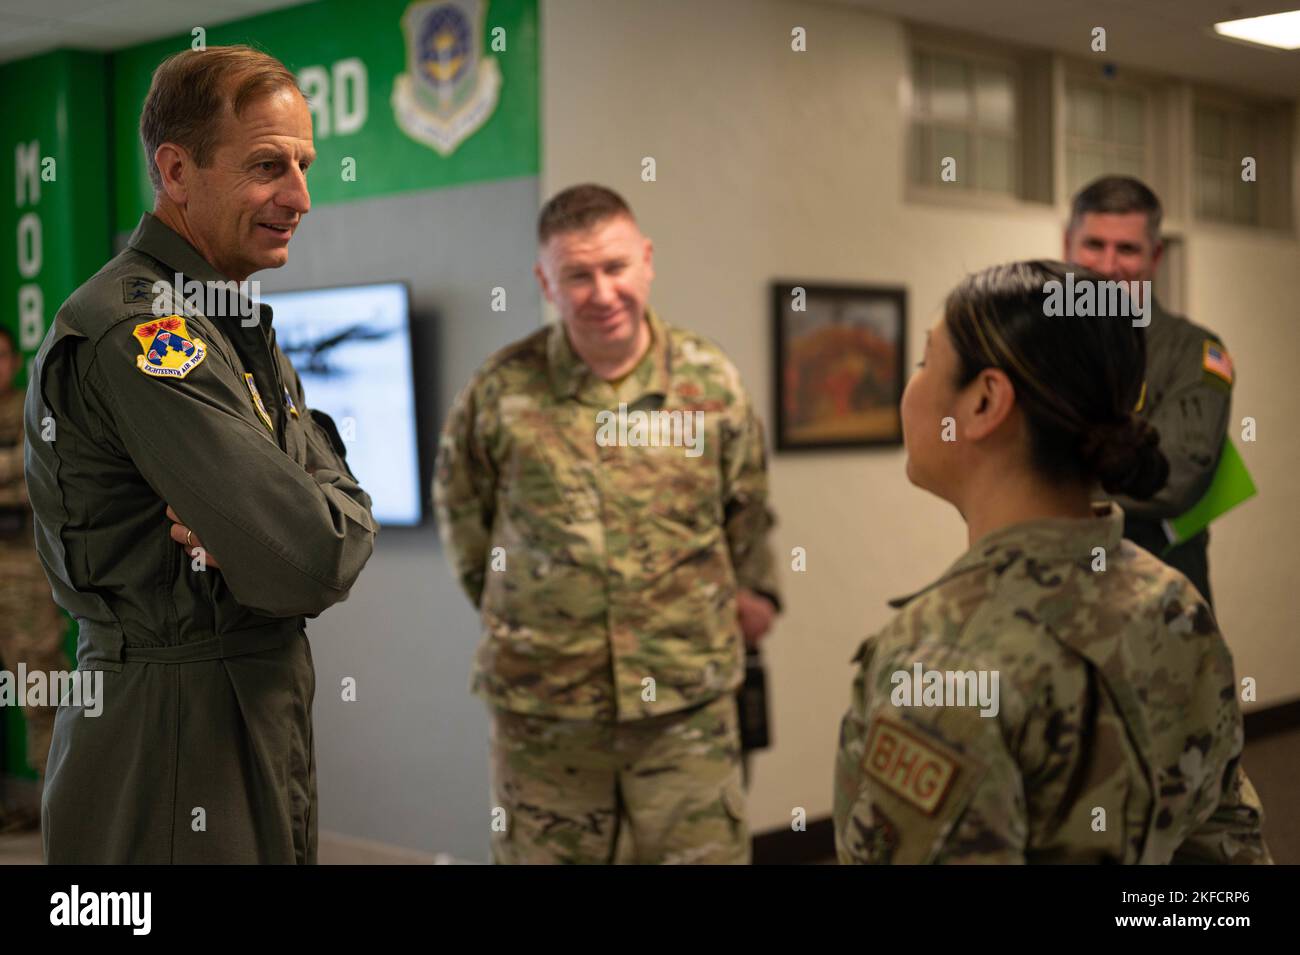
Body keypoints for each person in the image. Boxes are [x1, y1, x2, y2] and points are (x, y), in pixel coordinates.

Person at [23, 46, 376, 863]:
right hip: (170, 728)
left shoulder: (228, 318)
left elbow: (330, 516)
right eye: (266, 166)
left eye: (304, 164)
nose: (299, 196)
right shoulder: (142, 332)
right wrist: (295, 513)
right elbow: (311, 560)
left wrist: (283, 509)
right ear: (176, 171)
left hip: (247, 706)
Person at [833, 261, 1270, 864]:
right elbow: (1228, 854)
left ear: (985, 401)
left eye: (924, 363)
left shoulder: (943, 661)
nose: (908, 388)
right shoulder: (1174, 603)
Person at [435, 184, 781, 864]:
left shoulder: (710, 382)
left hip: (686, 707)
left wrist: (758, 593)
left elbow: (748, 506)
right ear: (545, 281)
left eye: (616, 267)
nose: (602, 291)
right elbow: (462, 515)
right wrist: (537, 614)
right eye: (577, 274)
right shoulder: (502, 389)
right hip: (545, 712)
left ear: (646, 260)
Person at [1064, 176, 1231, 606]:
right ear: (1067, 245)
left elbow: (1174, 478)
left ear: (1155, 256)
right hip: (1059, 596)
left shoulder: (1193, 351)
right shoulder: (1037, 346)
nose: (1107, 265)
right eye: (1094, 245)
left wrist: (1046, 477)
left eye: (1127, 249)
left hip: (1158, 607)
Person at [0, 325, 69, 831]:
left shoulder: (34, 406)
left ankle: (58, 804)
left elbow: (43, 472)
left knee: (41, 683)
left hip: (24, 567)